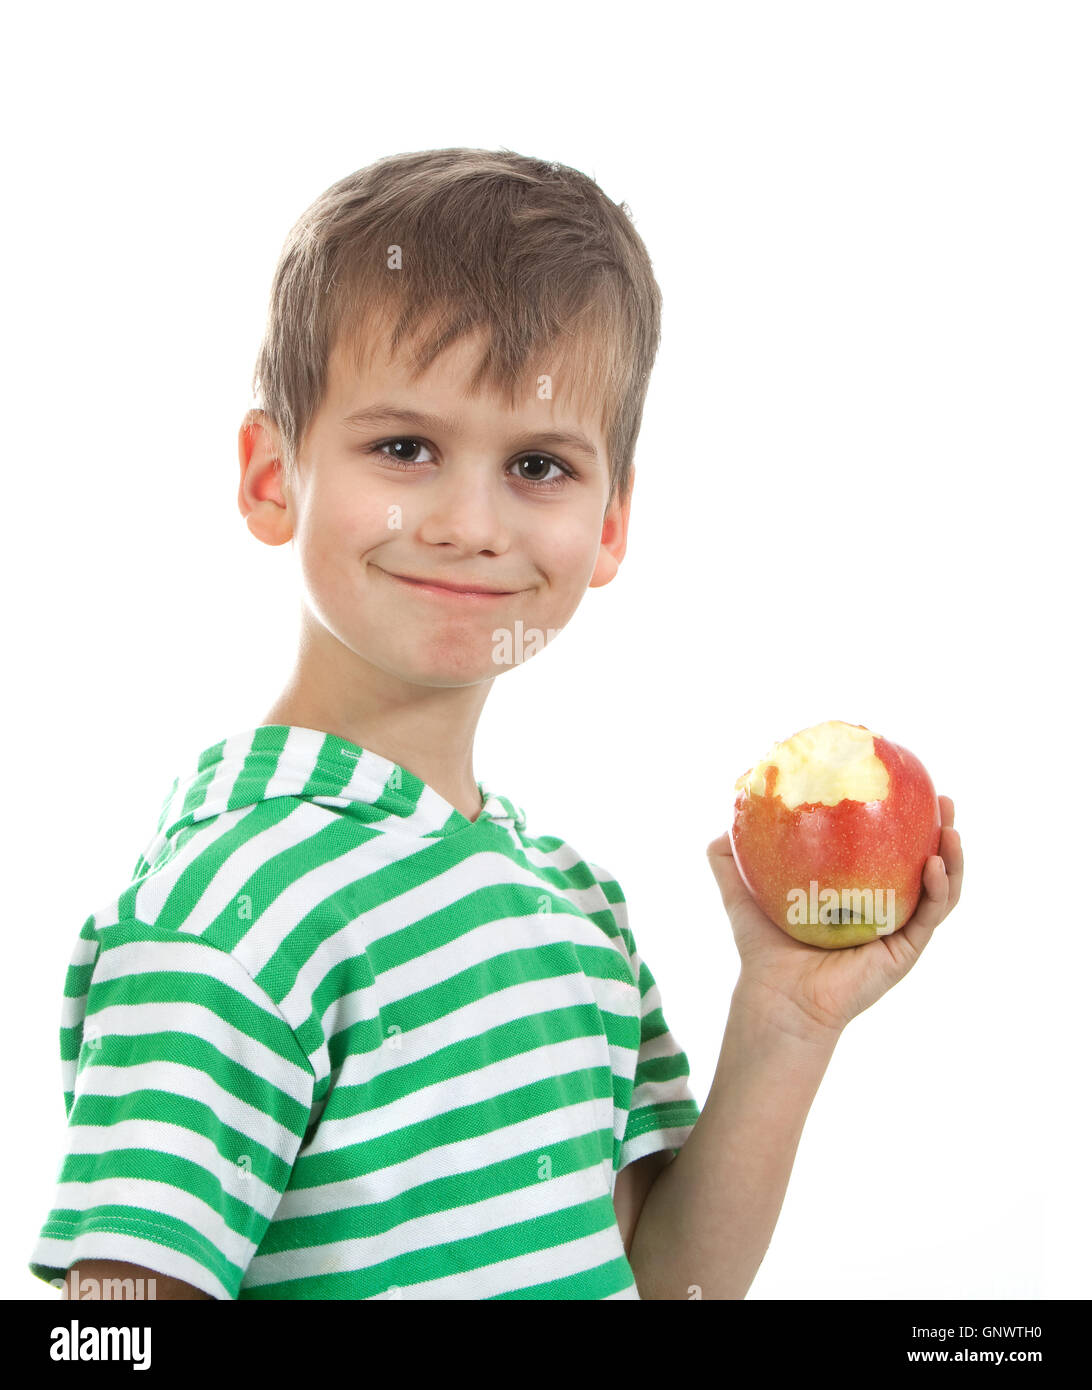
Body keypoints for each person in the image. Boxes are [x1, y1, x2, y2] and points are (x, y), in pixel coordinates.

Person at [29, 148, 963, 1302]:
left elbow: (669, 1280)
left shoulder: (571, 901)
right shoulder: (233, 910)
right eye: (405, 448)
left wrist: (785, 1020)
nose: (471, 523)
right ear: (274, 477)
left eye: (537, 464)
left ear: (611, 523)